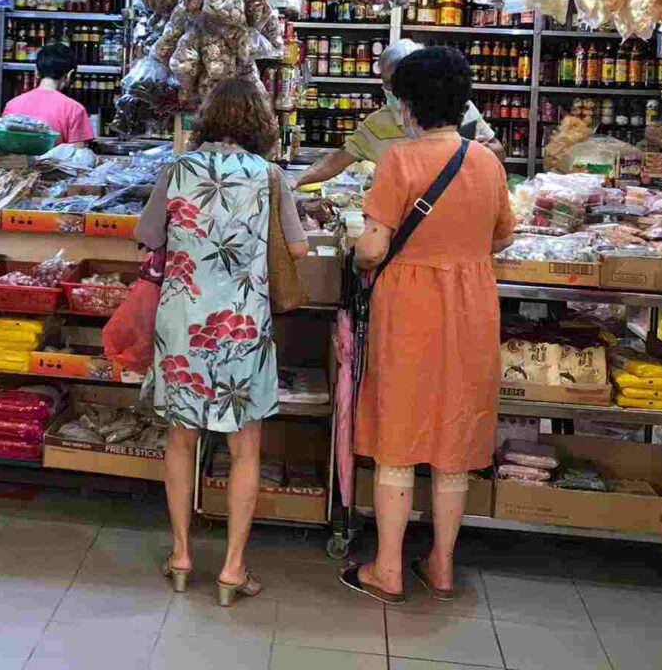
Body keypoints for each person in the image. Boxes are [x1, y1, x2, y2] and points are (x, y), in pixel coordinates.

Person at [344, 46, 515, 604]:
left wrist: (358, 250)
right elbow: (503, 236)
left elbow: (372, 248)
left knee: (398, 432)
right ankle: (441, 564)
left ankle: (387, 569)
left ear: (408, 103)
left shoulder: (401, 160)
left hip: (409, 307)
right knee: (454, 431)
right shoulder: (487, 162)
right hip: (471, 307)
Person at [135, 77, 307, 607]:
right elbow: (298, 249)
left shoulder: (178, 169)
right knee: (244, 446)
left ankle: (182, 554)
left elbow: (147, 234)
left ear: (208, 119)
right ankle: (233, 568)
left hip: (183, 319)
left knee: (181, 438)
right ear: (259, 122)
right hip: (241, 325)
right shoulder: (270, 175)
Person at [298, 39, 506, 185]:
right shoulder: (376, 125)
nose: (394, 92)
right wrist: (296, 181)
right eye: (388, 83)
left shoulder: (460, 108)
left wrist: (481, 151)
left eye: (400, 84)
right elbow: (336, 160)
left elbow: (498, 152)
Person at [1, 42, 95, 144]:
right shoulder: (75, 109)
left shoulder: (12, 104)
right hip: (56, 161)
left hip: (16, 160)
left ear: (36, 72)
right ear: (70, 75)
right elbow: (78, 156)